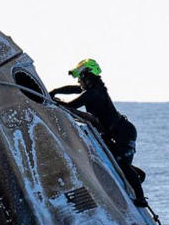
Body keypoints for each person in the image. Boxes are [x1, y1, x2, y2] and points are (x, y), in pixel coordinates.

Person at [49, 59, 148, 207]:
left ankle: (141, 198)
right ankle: (137, 174)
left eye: (80, 77)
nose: (78, 81)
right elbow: (74, 89)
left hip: (124, 132)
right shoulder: (92, 90)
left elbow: (73, 105)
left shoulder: (94, 93)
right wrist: (55, 91)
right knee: (115, 161)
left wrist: (55, 101)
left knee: (122, 163)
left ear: (87, 76)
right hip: (112, 133)